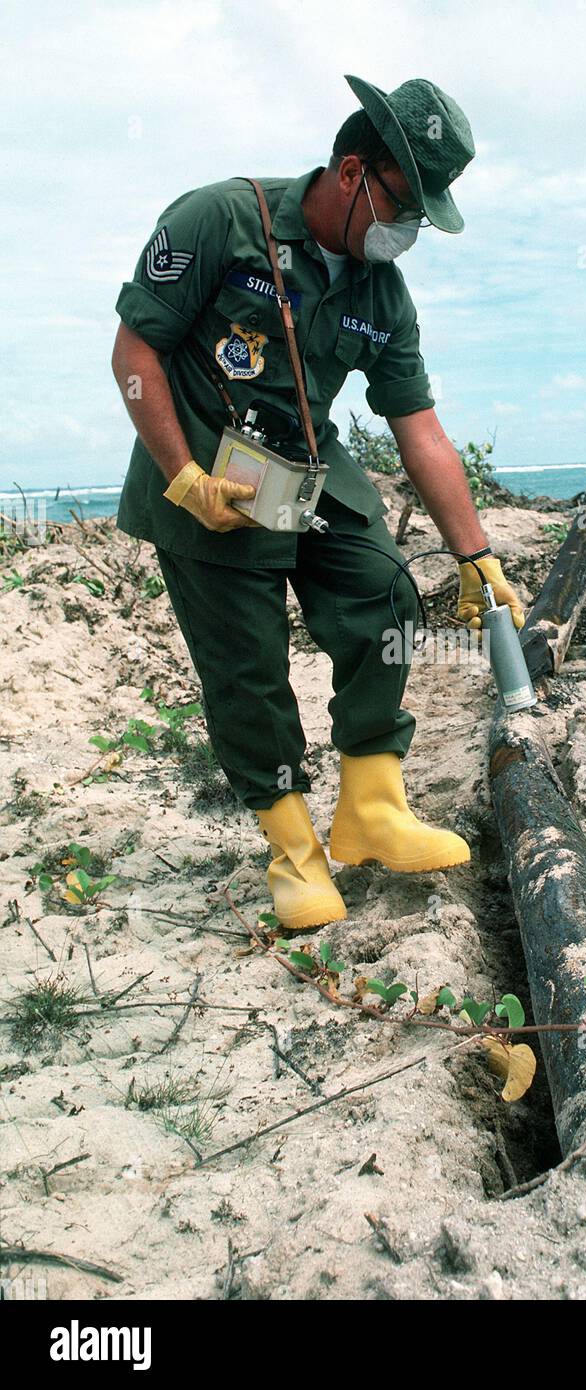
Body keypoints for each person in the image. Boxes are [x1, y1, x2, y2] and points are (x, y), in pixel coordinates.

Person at [110, 74, 525, 932]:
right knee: (248, 667)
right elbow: (134, 352)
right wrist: (183, 477)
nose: (408, 232)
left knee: (383, 587)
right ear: (350, 172)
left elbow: (420, 428)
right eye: (403, 204)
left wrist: (475, 553)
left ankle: (371, 808)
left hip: (303, 465)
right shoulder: (220, 220)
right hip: (202, 469)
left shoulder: (382, 294)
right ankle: (294, 852)